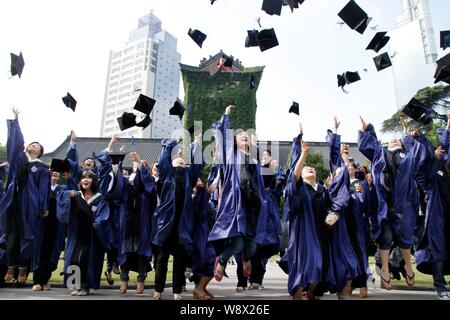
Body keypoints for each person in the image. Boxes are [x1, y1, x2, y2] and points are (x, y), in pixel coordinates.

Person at [208, 105, 280, 286]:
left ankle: (247, 260)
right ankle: (222, 261)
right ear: (234, 142)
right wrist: (226, 115)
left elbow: (261, 186)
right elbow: (222, 138)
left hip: (253, 209)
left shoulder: (255, 162)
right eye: (241, 135)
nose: (245, 135)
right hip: (236, 205)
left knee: (252, 245)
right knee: (238, 245)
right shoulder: (230, 155)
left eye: (247, 136)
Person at [358, 116, 426, 290]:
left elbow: (415, 149)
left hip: (403, 207)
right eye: (391, 139)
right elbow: (367, 144)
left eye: (398, 139)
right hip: (383, 207)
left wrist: (407, 134)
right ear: (387, 144)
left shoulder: (407, 157)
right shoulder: (379, 155)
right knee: (385, 237)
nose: (394, 139)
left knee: (405, 239)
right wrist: (368, 129)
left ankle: (409, 269)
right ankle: (386, 272)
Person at [0, 108, 51, 286]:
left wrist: (44, 206)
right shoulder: (20, 159)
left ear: (40, 152)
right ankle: (11, 266)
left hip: (29, 204)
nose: (32, 145)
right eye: (32, 143)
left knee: (27, 237)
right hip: (13, 201)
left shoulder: (42, 168)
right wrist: (15, 122)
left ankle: (22, 268)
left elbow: (44, 189)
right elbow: (15, 143)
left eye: (36, 145)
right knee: (11, 237)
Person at [284, 123, 335, 300]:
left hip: (320, 233)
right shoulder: (300, 188)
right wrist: (303, 154)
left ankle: (311, 294)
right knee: (305, 265)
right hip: (302, 233)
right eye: (307, 168)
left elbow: (330, 208)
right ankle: (298, 295)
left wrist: (331, 218)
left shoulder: (322, 190)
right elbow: (295, 176)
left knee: (320, 265)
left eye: (312, 168)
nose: (310, 168)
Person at [151, 135, 203, 300]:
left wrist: (196, 144)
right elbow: (163, 159)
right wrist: (172, 143)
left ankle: (176, 291)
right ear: (171, 164)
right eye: (177, 159)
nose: (180, 160)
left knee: (179, 260)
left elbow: (197, 164)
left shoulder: (189, 175)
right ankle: (158, 290)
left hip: (182, 224)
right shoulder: (167, 173)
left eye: (182, 159)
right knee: (162, 258)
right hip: (166, 223)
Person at [327, 117, 370, 298]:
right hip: (340, 221)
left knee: (357, 256)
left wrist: (360, 193)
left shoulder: (359, 184)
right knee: (342, 256)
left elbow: (364, 205)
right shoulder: (338, 174)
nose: (348, 167)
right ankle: (343, 289)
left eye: (350, 165)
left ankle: (357, 286)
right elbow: (333, 156)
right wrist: (335, 132)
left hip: (356, 224)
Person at [57, 170, 112, 296]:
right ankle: (76, 286)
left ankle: (85, 286)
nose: (85, 180)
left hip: (91, 235)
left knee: (86, 259)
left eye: (89, 177)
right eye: (83, 177)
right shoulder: (76, 195)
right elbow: (61, 198)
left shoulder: (99, 199)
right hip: (76, 233)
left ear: (94, 181)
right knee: (74, 258)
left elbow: (103, 215)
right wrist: (67, 196)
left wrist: (97, 222)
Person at [414, 115, 450, 300]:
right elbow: (440, 152)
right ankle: (440, 285)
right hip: (438, 219)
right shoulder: (432, 178)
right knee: (438, 252)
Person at [32, 169, 67, 291]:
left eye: (57, 172)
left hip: (57, 225)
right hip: (42, 225)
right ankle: (37, 280)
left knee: (52, 251)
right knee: (40, 250)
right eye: (52, 171)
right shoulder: (41, 188)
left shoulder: (62, 189)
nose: (55, 173)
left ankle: (45, 280)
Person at [191, 178, 216, 300]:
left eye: (201, 179)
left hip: (207, 233)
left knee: (211, 261)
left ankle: (202, 288)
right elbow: (199, 213)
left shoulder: (206, 198)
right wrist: (205, 194)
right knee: (205, 260)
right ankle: (199, 288)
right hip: (198, 234)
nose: (200, 181)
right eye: (197, 180)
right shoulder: (191, 197)